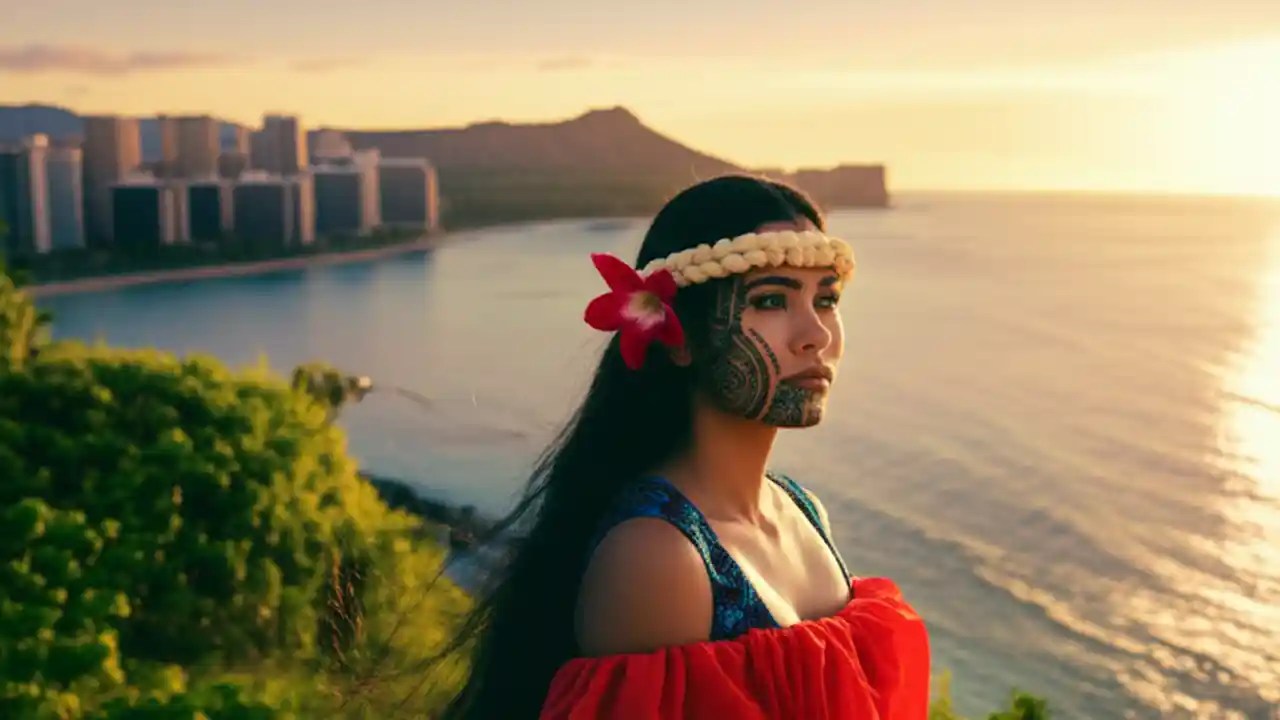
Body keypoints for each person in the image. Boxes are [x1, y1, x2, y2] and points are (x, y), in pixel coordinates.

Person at [440, 175, 930, 719]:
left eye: (827, 299)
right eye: (771, 300)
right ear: (679, 338)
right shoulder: (657, 557)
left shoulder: (804, 510)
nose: (815, 334)